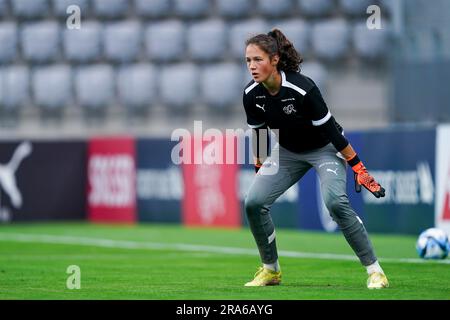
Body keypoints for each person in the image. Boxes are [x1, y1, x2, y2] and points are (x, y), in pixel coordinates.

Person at [242, 29, 388, 289]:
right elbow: (260, 134)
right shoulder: (251, 94)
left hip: (325, 149)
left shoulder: (302, 88)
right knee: (254, 202)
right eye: (248, 61)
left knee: (335, 203)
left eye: (258, 59)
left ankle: (375, 271)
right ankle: (271, 270)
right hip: (287, 153)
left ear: (274, 59)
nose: (252, 66)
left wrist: (358, 166)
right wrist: (259, 170)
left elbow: (332, 131)